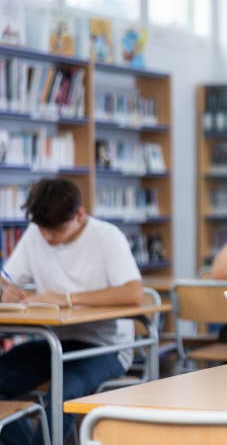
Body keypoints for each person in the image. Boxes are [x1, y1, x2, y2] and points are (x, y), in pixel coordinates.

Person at [0, 178, 144, 444]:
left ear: (80, 215)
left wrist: (68, 298)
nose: (48, 237)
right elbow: (5, 277)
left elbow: (133, 292)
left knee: (63, 391)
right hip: (57, 343)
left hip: (107, 346)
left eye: (55, 230)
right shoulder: (36, 234)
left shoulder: (107, 237)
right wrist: (6, 290)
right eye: (42, 229)